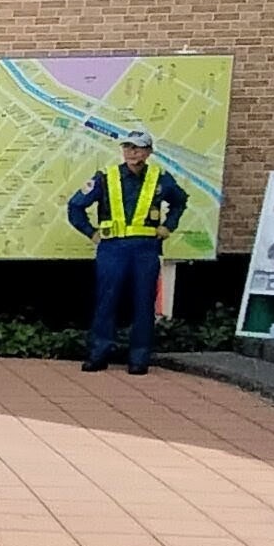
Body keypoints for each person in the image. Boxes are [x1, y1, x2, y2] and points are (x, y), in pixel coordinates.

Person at [68, 126, 188, 373]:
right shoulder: (106, 177)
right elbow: (75, 206)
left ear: (149, 151)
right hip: (112, 249)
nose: (132, 152)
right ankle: (99, 354)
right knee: (106, 300)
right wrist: (91, 232)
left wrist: (169, 225)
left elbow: (179, 201)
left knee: (144, 303)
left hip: (145, 249)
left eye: (138, 147)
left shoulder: (160, 178)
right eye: (128, 147)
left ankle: (139, 358)